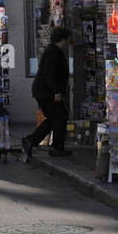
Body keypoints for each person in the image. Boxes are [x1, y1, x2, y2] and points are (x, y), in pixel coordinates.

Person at [25, 27, 71, 160]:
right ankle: (55, 147)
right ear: (63, 38)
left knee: (54, 118)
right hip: (47, 92)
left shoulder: (53, 50)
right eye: (68, 38)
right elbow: (49, 74)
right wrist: (56, 91)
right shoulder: (53, 52)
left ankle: (31, 141)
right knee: (60, 116)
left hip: (44, 91)